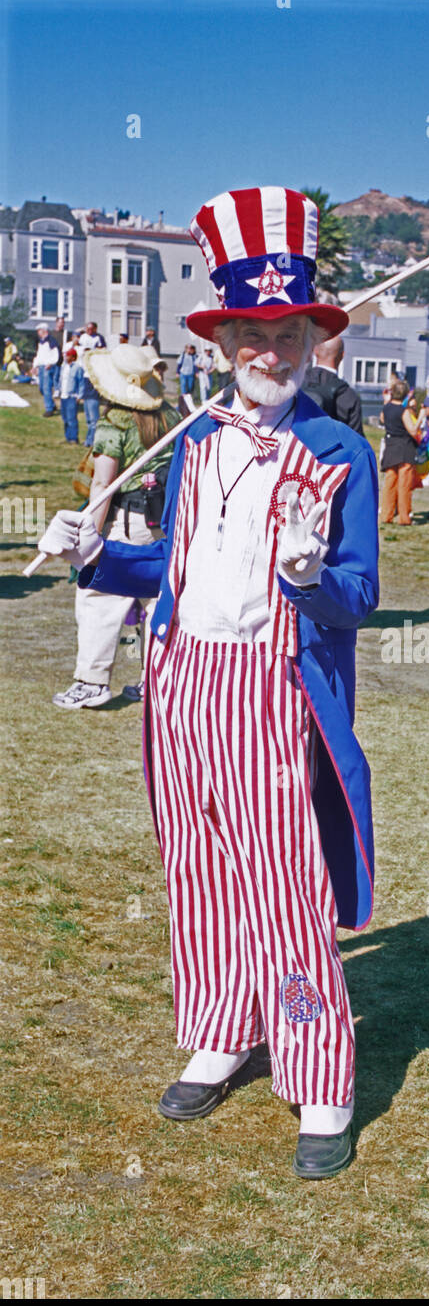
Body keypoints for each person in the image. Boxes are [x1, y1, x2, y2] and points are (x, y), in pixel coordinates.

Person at [38, 185, 378, 1178]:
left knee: (284, 885)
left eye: (285, 335)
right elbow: (173, 573)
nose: (266, 354)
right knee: (198, 870)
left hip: (274, 686)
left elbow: (355, 594)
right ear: (221, 338)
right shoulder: (187, 442)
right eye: (248, 335)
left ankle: (320, 1077)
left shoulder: (338, 450)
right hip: (179, 679)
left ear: (313, 339)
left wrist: (313, 580)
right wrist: (95, 553)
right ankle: (223, 1030)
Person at [50, 345, 182, 709]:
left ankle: (92, 682)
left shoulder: (116, 422)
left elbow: (102, 484)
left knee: (100, 598)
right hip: (164, 522)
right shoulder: (171, 415)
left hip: (128, 521)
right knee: (158, 602)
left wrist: (88, 536)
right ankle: (158, 680)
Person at [303, 335, 365, 434]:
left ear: (315, 351)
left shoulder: (295, 385)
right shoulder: (348, 395)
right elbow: (356, 439)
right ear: (342, 355)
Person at [380, 378, 419, 525]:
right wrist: (420, 418)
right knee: (404, 484)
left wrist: (386, 401)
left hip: (391, 446)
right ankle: (404, 517)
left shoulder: (386, 408)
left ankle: (386, 515)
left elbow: (382, 420)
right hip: (405, 448)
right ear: (405, 395)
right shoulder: (404, 411)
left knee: (390, 483)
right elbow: (413, 430)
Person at [58, 344, 84, 443]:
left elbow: (81, 382)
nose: (66, 357)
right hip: (63, 395)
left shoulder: (78, 368)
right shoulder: (63, 367)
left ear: (73, 357)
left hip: (72, 396)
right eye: (65, 355)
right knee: (64, 417)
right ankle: (67, 437)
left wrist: (79, 395)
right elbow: (60, 380)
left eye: (68, 355)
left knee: (71, 418)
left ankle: (73, 438)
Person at [34, 323, 61, 415]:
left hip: (47, 367)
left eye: (39, 330)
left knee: (46, 388)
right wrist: (35, 366)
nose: (38, 332)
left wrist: (50, 363)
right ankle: (52, 405)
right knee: (41, 388)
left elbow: (56, 354)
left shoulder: (51, 340)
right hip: (41, 367)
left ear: (44, 330)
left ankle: (49, 409)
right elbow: (39, 355)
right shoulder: (41, 341)